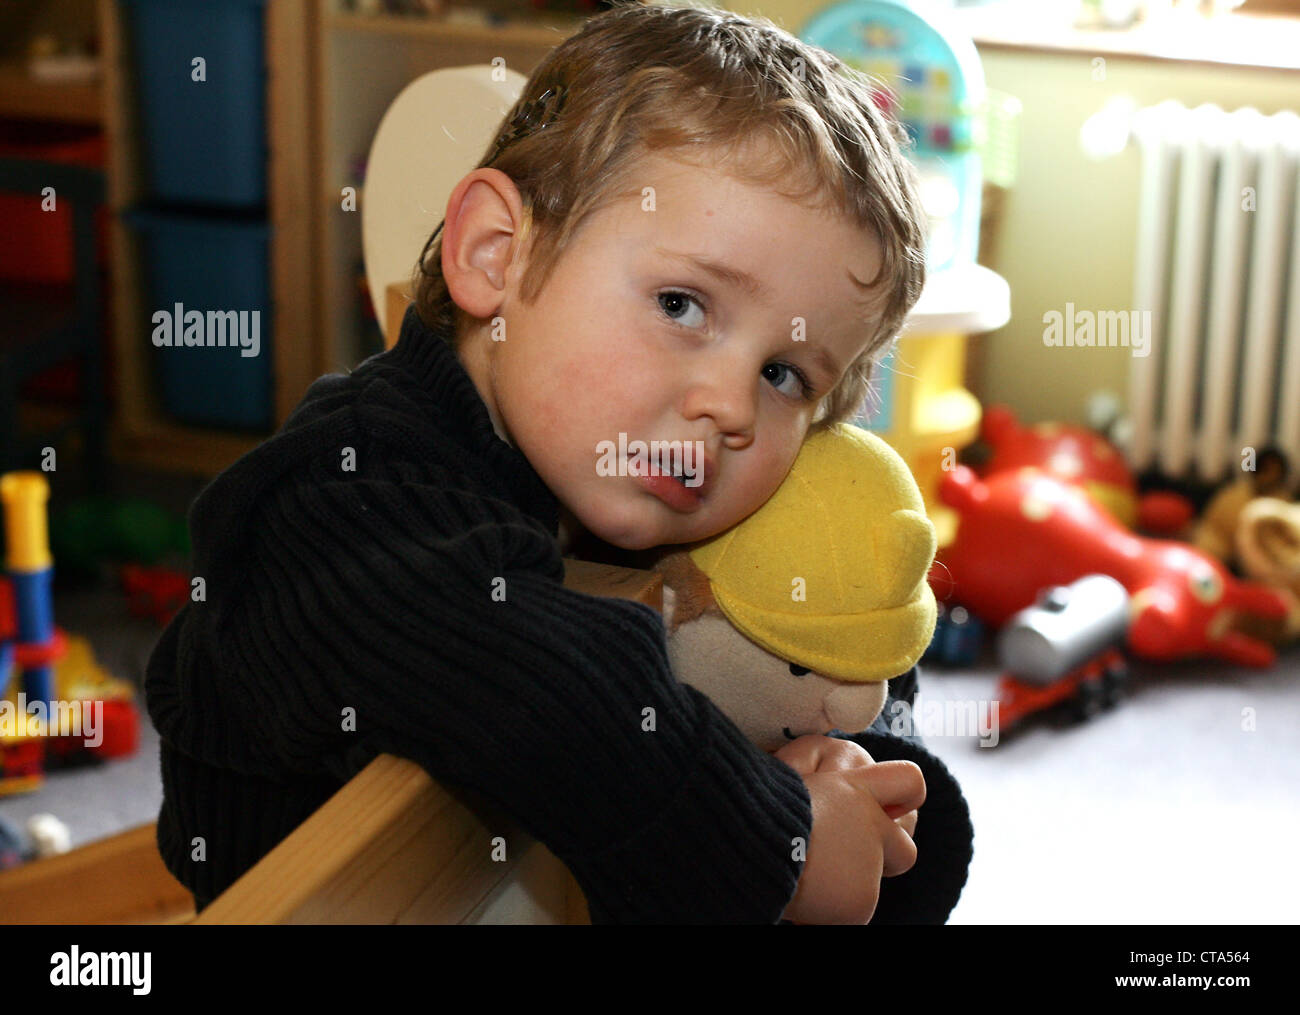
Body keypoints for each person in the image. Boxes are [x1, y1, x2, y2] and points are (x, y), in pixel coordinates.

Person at [147, 0, 971, 923]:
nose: (732, 405)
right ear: (496, 255)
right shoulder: (338, 498)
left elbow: (846, 672)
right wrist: (781, 834)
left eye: (784, 373)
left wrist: (857, 786)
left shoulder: (627, 470)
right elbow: (549, 697)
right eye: (682, 305)